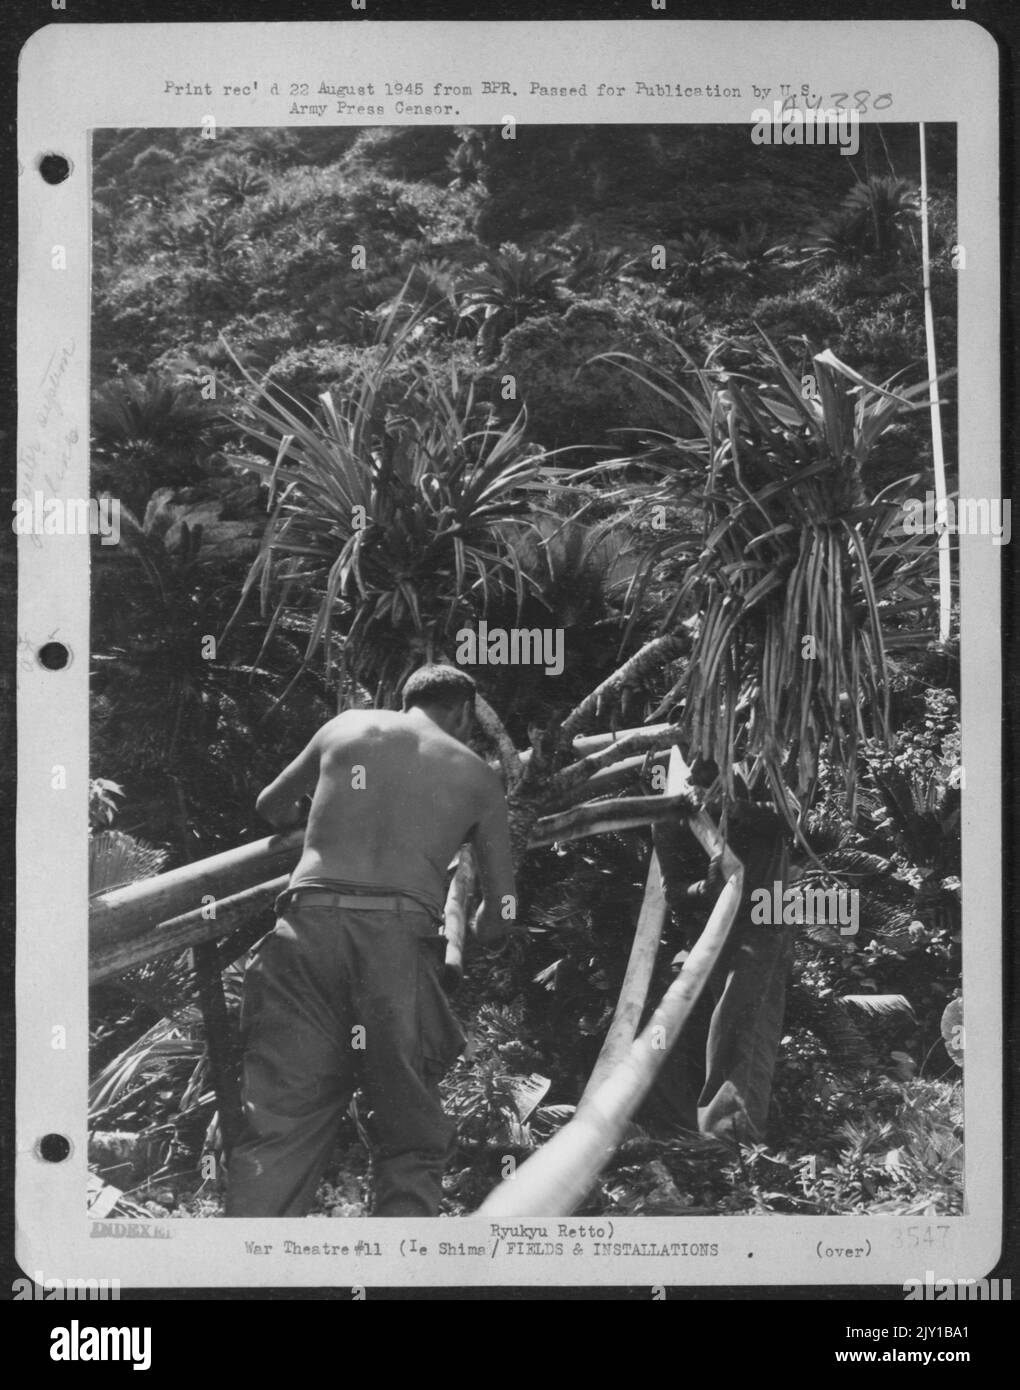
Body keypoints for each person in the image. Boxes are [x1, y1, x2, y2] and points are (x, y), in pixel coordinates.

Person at [224, 664, 517, 1218]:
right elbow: (501, 907)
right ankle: (397, 1271)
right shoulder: (478, 774)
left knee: (281, 1120)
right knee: (408, 1126)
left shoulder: (346, 727)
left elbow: (271, 805)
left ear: (405, 699)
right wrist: (483, 935)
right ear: (460, 712)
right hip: (397, 945)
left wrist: (322, 823)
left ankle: (244, 1269)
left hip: (305, 930)